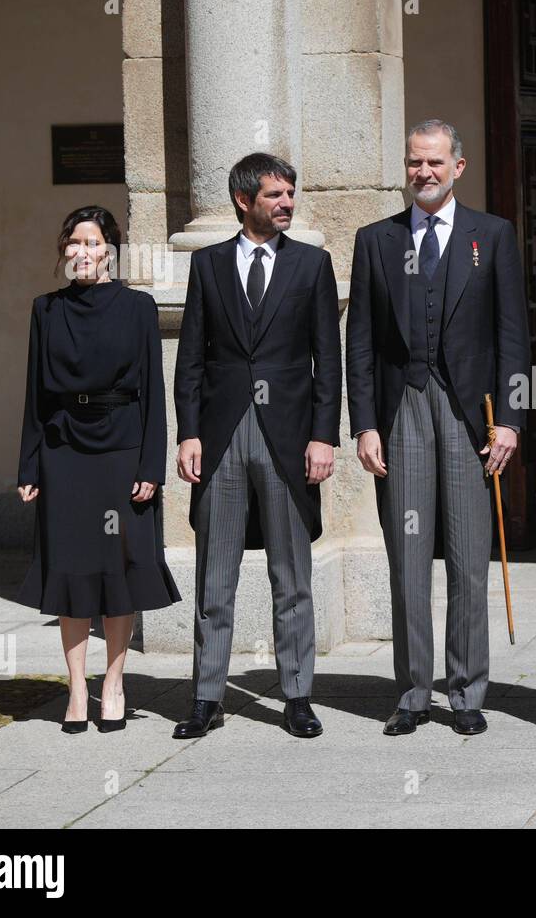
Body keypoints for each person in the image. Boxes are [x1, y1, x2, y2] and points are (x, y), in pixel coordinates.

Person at [346, 120, 530, 737]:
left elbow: (513, 337)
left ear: (459, 166)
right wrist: (365, 425)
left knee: (469, 560)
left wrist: (510, 421)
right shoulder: (376, 240)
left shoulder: (493, 236)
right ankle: (412, 691)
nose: (423, 172)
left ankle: (467, 690)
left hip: (469, 415)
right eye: (413, 163)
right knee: (408, 559)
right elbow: (362, 345)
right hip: (401, 415)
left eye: (434, 162)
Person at [173, 153, 342, 739]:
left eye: (291, 193)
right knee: (214, 578)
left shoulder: (312, 265)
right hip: (220, 437)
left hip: (290, 439)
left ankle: (297, 695)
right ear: (244, 200)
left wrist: (324, 436)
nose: (288, 203)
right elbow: (190, 356)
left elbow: (329, 360)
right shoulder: (208, 265)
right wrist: (188, 432)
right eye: (276, 194)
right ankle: (205, 697)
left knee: (291, 576)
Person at [15, 206, 180, 733]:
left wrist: (152, 463)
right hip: (64, 452)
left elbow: (154, 394)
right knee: (69, 570)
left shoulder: (137, 308)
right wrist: (29, 463)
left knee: (117, 570)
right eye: (73, 242)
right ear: (64, 250)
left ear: (110, 248)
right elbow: (35, 396)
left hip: (121, 451)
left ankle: (113, 682)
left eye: (92, 241)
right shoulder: (45, 309)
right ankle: (76, 691)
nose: (81, 251)